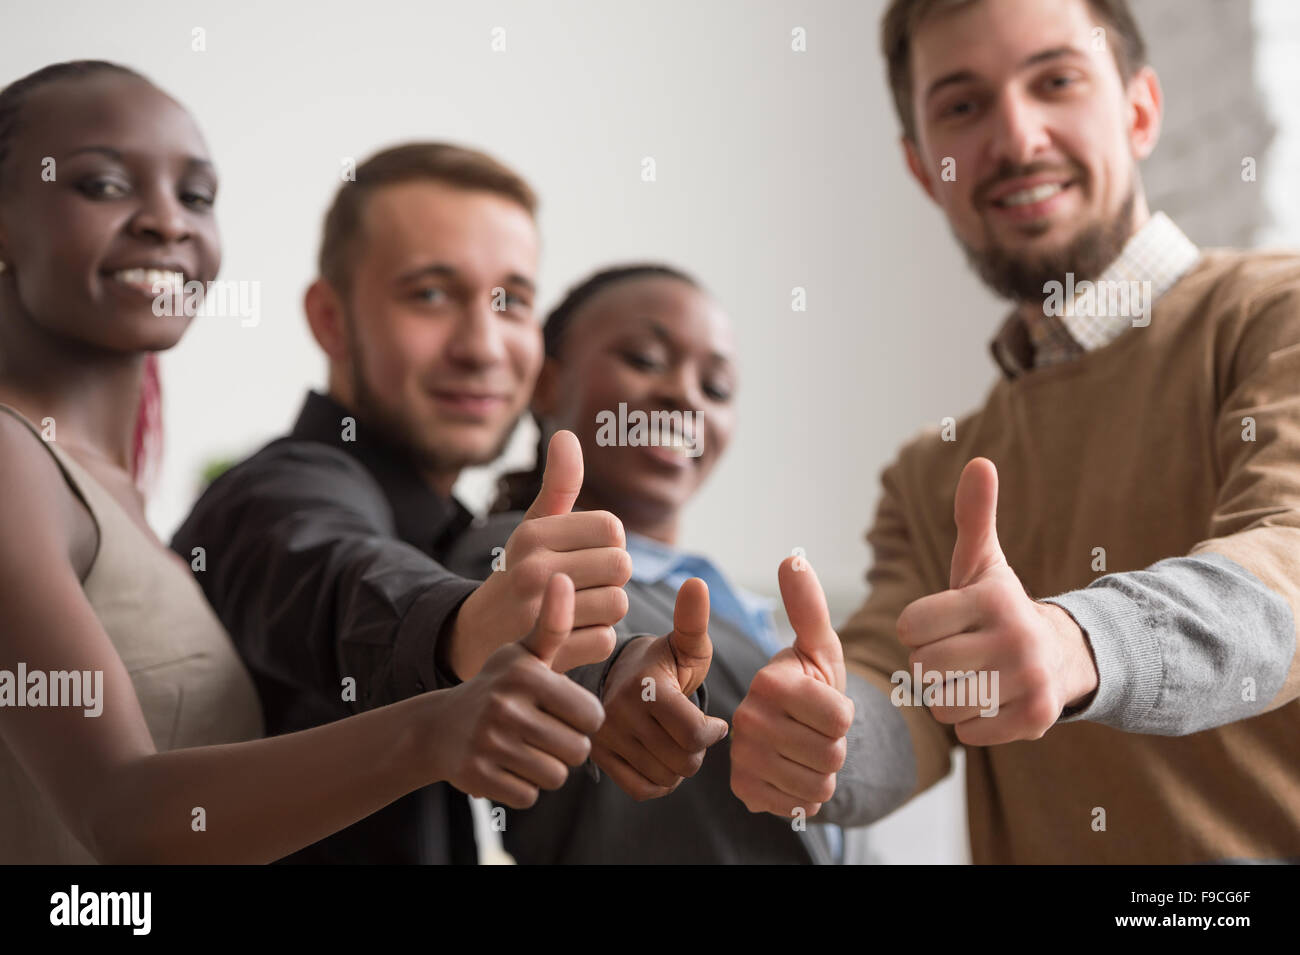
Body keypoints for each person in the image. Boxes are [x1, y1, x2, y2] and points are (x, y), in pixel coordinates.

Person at [729, 0, 1300, 863]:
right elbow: (902, 694)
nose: (1018, 136)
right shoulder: (930, 478)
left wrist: (1079, 644)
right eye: (963, 106)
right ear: (924, 169)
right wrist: (824, 741)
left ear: (1139, 109)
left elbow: (1290, 560)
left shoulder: (1278, 314)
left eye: (1057, 81)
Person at [0, 61, 604, 864]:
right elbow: (118, 811)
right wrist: (438, 714)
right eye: (104, 184)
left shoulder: (107, 493)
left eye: (197, 195)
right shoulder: (16, 463)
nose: (165, 221)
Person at [171, 142, 633, 863]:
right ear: (329, 318)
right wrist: (463, 626)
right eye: (430, 293)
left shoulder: (453, 529)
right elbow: (333, 574)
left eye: (511, 300)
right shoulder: (273, 494)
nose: (483, 345)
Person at [448, 264, 858, 863]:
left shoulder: (733, 601)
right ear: (546, 383)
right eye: (644, 358)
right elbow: (544, 638)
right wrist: (614, 673)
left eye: (716, 388)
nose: (684, 395)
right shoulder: (511, 552)